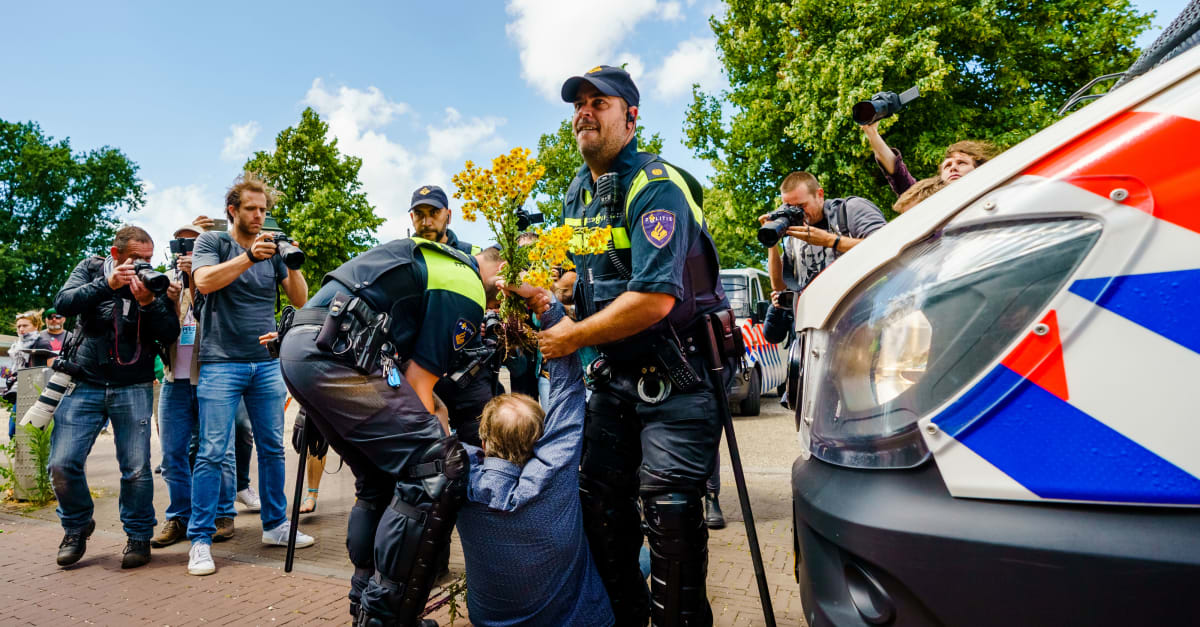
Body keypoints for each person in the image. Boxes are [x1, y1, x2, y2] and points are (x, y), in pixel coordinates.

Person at [552, 64, 733, 625]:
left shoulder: (656, 184)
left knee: (671, 522)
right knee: (600, 511)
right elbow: (585, 275)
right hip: (615, 377)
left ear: (630, 118)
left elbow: (653, 299)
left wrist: (571, 336)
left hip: (678, 375)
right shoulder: (577, 193)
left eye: (599, 103)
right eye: (579, 104)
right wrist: (555, 292)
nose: (585, 112)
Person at [279, 236, 502, 626]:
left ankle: (364, 605)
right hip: (337, 357)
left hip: (308, 347)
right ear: (502, 271)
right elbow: (418, 387)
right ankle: (388, 619)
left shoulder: (433, 258)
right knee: (433, 466)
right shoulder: (465, 282)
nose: (498, 306)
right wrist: (439, 442)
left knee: (378, 479)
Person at [456, 284, 613, 626]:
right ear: (540, 437)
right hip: (578, 621)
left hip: (491, 622)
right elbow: (568, 391)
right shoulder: (554, 470)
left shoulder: (459, 477)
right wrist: (548, 309)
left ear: (484, 438)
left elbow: (425, 419)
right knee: (637, 559)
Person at [186, 173, 312, 576]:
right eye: (252, 209)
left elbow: (300, 299)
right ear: (232, 210)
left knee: (273, 447)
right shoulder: (213, 243)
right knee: (212, 451)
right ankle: (200, 540)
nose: (259, 216)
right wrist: (249, 258)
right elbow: (204, 282)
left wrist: (290, 259)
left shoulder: (271, 250)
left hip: (266, 362)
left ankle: (275, 526)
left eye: (263, 210)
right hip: (221, 362)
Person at [47, 226, 181, 569]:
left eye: (148, 258)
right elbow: (63, 303)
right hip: (85, 380)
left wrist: (149, 302)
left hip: (134, 384)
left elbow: (170, 333)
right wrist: (107, 285)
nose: (143, 265)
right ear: (115, 254)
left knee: (136, 469)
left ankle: (138, 535)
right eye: (136, 259)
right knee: (61, 463)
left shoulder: (154, 283)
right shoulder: (91, 268)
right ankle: (77, 525)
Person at [152, 221, 242, 548]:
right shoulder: (166, 282)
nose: (186, 249)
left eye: (192, 243)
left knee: (219, 451)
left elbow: (223, 322)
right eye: (180, 243)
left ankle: (222, 514)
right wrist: (169, 301)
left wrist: (195, 282)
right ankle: (180, 516)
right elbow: (161, 329)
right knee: (172, 453)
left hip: (212, 377)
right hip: (174, 379)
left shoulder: (217, 278)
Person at [409, 184, 495, 447]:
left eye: (433, 213)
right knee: (429, 453)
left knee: (485, 444)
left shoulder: (475, 254)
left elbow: (495, 298)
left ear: (448, 215)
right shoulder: (406, 255)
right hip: (421, 370)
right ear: (411, 217)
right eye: (419, 214)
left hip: (470, 371)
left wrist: (483, 319)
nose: (426, 221)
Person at [764, 171, 887, 295]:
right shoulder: (795, 234)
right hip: (819, 308)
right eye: (789, 208)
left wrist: (830, 240)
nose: (796, 213)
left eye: (801, 206)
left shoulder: (850, 209)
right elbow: (779, 285)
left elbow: (886, 244)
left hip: (865, 304)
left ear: (819, 194)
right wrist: (771, 237)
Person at [861, 121, 997, 197]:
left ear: (978, 169)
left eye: (962, 163)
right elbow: (898, 174)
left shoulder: (993, 193)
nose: (953, 168)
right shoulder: (928, 199)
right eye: (947, 166)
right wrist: (872, 133)